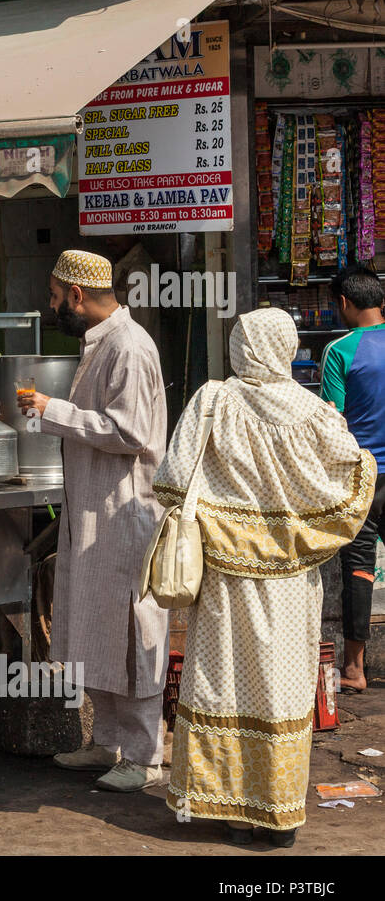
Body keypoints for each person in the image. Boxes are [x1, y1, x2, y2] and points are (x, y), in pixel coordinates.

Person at [160, 308, 375, 847]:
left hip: (223, 576)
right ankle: (274, 811)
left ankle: (222, 801)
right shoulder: (312, 411)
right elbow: (352, 478)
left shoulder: (212, 400)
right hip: (291, 583)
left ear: (240, 347)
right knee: (279, 690)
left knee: (219, 683)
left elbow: (170, 483)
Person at [17, 250, 168, 792]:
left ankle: (146, 756)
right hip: (93, 511)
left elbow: (128, 432)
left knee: (132, 630)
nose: (53, 306)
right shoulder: (101, 343)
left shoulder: (128, 347)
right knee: (98, 631)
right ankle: (107, 742)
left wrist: (51, 410)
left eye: (56, 298)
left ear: (77, 296)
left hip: (125, 512)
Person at [322, 265, 385, 693]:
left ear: (344, 303)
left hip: (364, 478)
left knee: (359, 570)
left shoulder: (340, 351)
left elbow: (332, 424)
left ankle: (355, 670)